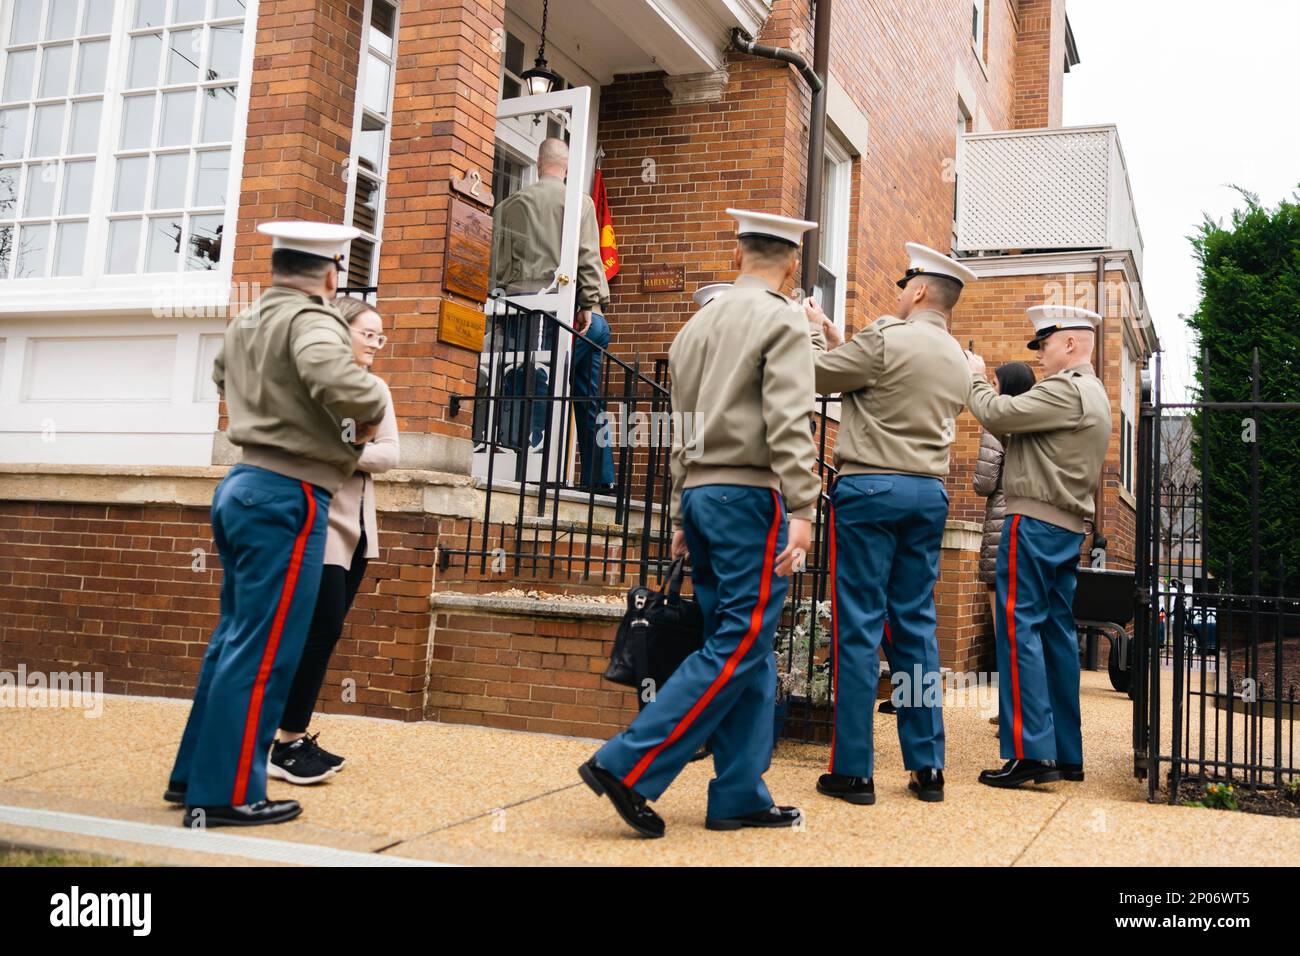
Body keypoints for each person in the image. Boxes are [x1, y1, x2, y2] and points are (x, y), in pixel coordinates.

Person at [579, 208, 820, 837]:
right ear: (791, 265)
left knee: (747, 649)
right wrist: (802, 507)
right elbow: (791, 422)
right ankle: (626, 764)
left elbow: (679, 431)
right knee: (739, 643)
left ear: (736, 256)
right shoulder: (783, 321)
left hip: (706, 498)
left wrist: (683, 508)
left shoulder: (694, 328)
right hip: (751, 499)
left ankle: (739, 791)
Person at [164, 222, 388, 828]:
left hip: (243, 485)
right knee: (265, 651)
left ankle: (195, 778)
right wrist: (364, 414)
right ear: (328, 273)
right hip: (289, 493)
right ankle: (228, 794)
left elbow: (220, 377)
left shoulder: (250, 319)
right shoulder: (313, 319)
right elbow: (343, 384)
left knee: (232, 641)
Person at [804, 243, 975, 805]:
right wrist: (837, 332)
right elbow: (881, 379)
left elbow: (821, 377)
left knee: (859, 628)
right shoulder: (958, 359)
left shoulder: (883, 336)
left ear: (920, 289)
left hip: (870, 489)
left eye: (906, 283)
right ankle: (928, 767)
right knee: (916, 628)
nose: (901, 291)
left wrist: (811, 333)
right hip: (927, 493)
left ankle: (854, 771)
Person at [966, 304, 1111, 788]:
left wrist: (976, 377)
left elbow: (995, 411)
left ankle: (1031, 755)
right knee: (1055, 635)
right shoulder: (1095, 393)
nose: (1041, 358)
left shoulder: (1065, 389)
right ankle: (1066, 755)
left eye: (1045, 345)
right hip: (1066, 529)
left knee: (1017, 631)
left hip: (1032, 522)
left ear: (1070, 344)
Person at [269, 295, 399, 784]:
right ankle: (283, 743)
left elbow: (388, 455)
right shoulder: (311, 384)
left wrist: (339, 450)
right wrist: (348, 449)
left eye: (379, 336)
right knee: (312, 635)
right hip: (315, 526)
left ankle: (287, 737)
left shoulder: (376, 388)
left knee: (324, 635)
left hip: (358, 531)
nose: (375, 344)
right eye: (367, 333)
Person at [491, 137, 614, 491]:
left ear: (538, 162)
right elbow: (588, 256)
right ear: (566, 166)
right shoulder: (579, 203)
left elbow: (498, 268)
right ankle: (598, 477)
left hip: (522, 312)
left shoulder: (508, 206)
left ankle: (522, 462)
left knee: (525, 382)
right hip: (570, 314)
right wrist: (589, 304)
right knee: (583, 393)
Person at [973, 361, 1037, 727]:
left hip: (1001, 529)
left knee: (1005, 629)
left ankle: (1011, 711)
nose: (992, 388)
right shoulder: (1036, 419)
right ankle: (1024, 710)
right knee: (1025, 628)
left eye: (994, 382)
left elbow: (984, 482)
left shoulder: (999, 422)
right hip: (1029, 527)